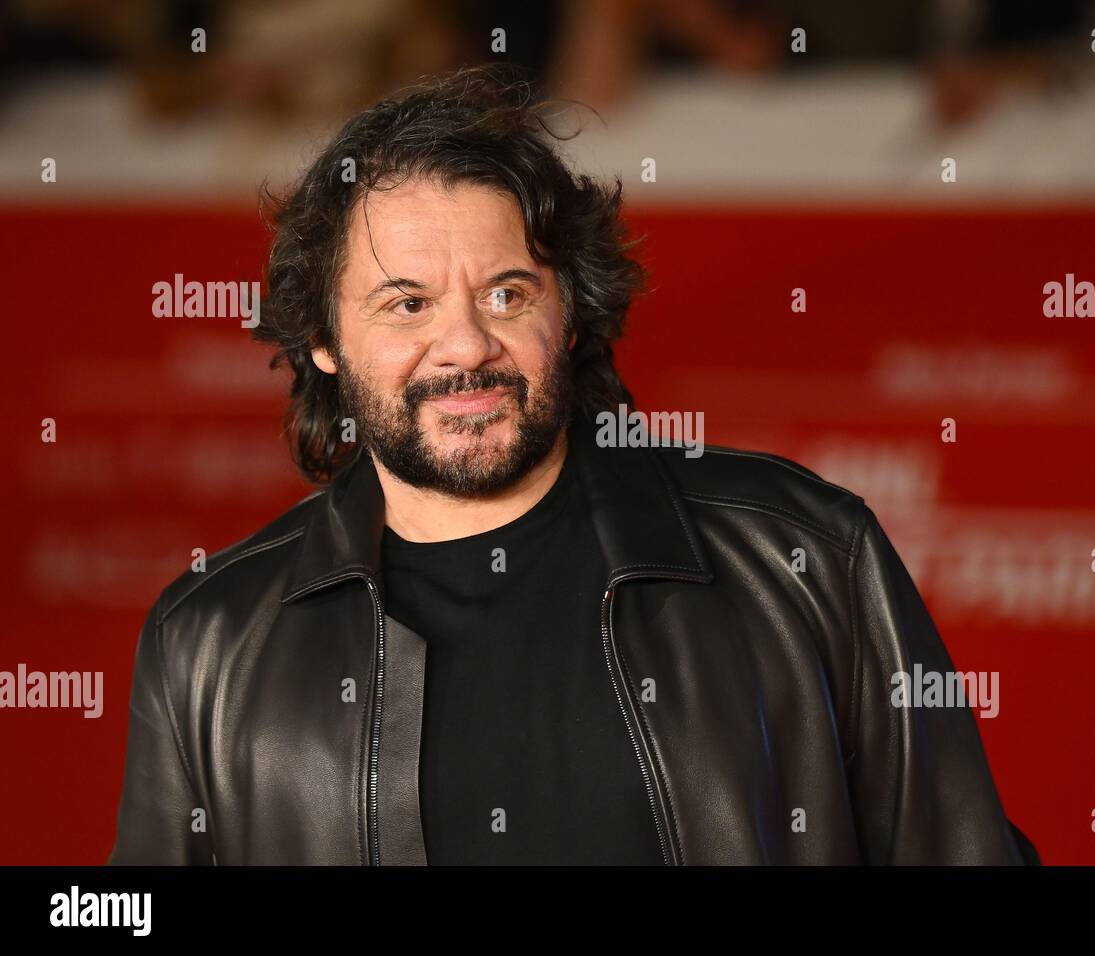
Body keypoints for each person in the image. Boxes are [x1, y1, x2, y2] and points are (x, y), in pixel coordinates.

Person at [108, 64, 1036, 866]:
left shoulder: (805, 558)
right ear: (321, 340)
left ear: (574, 310)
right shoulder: (208, 646)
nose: (463, 346)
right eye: (405, 304)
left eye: (507, 293)